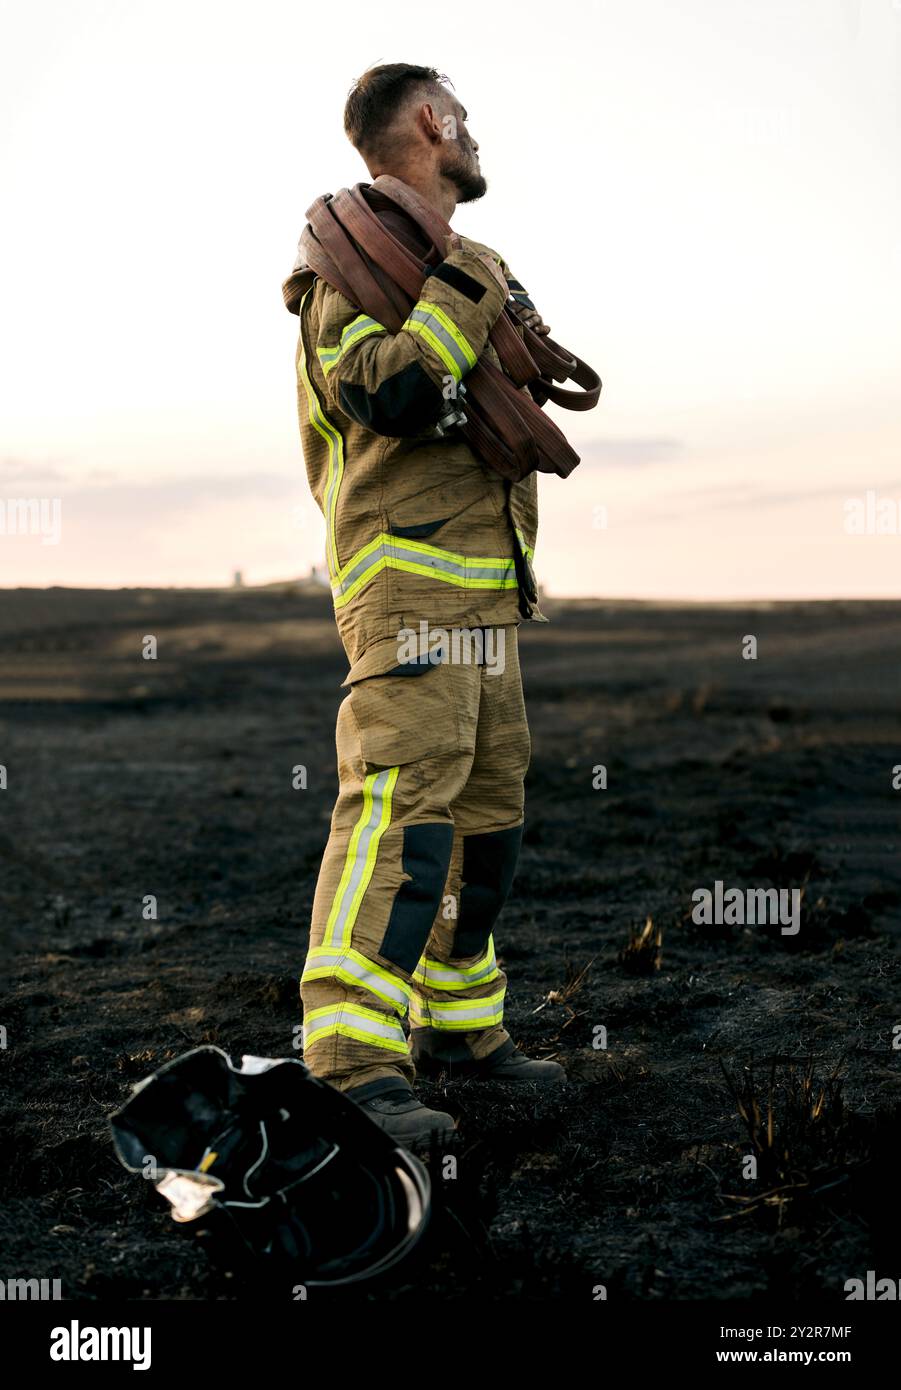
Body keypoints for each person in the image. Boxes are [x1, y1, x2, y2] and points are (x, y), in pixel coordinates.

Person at [289, 63, 565, 1146]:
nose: (474, 137)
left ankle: (460, 1027)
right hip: (407, 591)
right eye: (465, 118)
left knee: (484, 825)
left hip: (485, 600)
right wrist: (468, 287)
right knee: (397, 810)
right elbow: (393, 391)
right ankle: (349, 1060)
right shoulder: (340, 271)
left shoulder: (444, 262)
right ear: (429, 121)